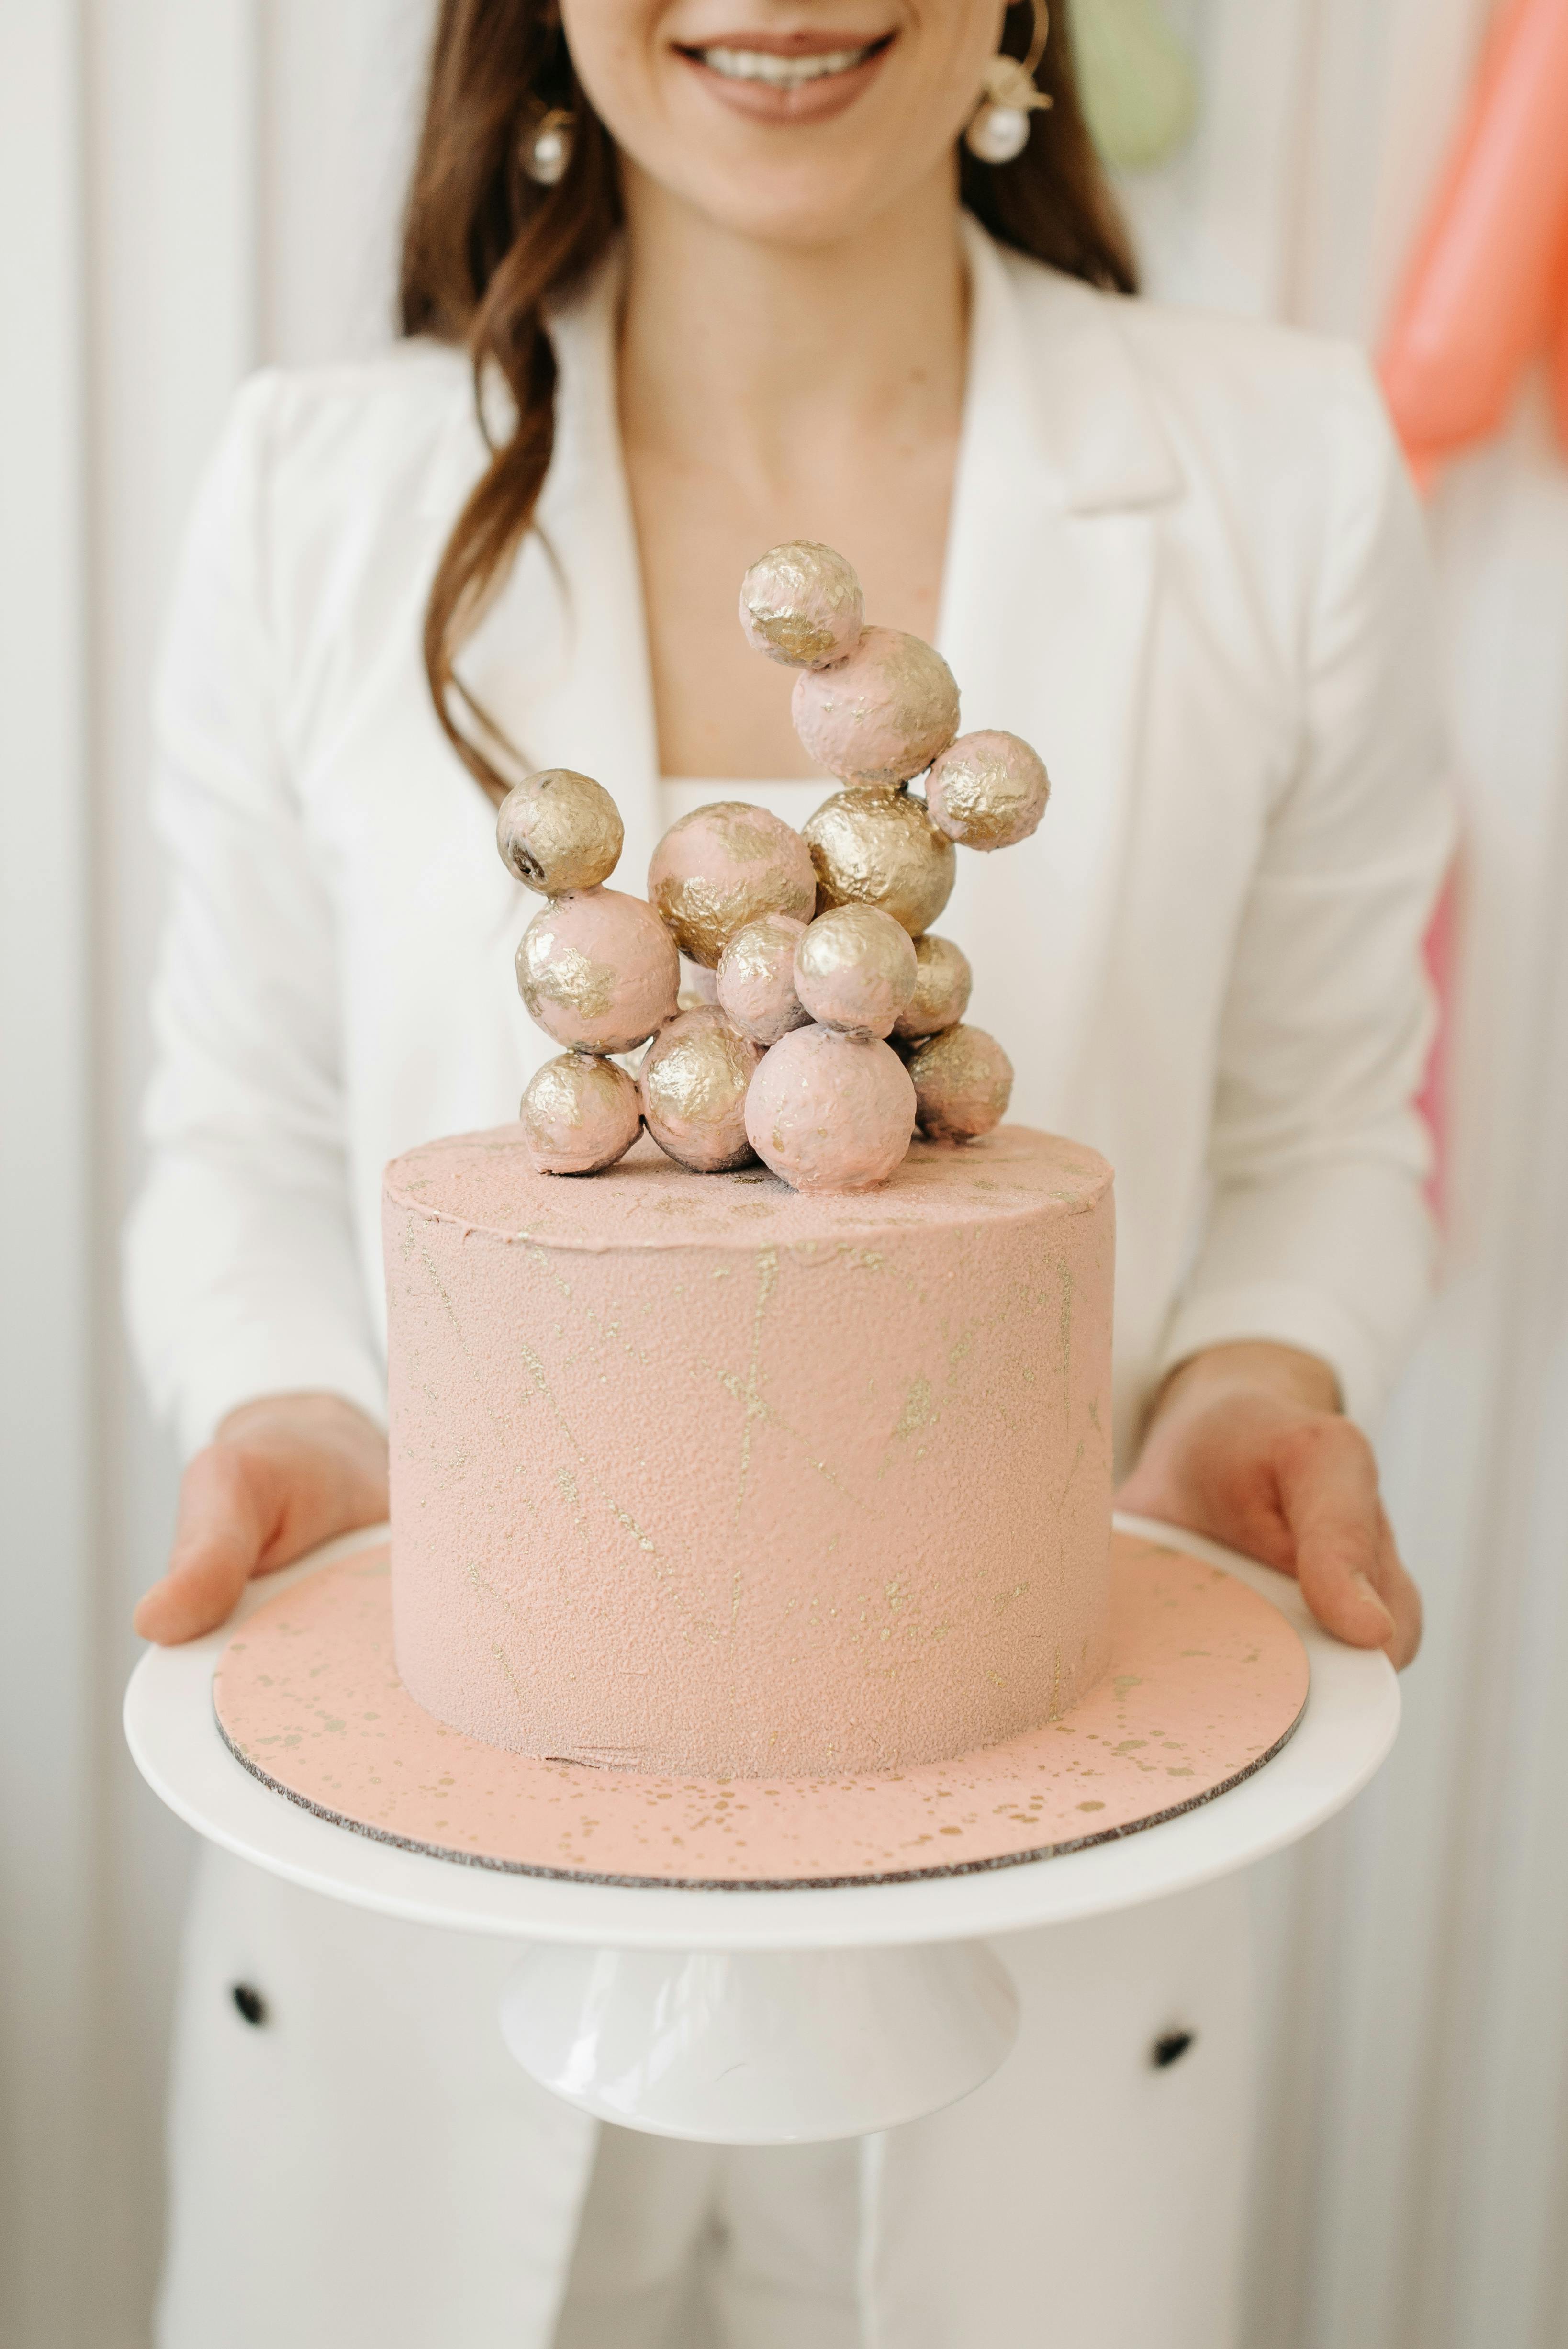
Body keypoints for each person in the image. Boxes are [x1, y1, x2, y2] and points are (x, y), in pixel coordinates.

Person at [127, 3, 1448, 2344]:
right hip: (419, 1938)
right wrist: (294, 1412)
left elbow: (1329, 1115)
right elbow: (233, 1124)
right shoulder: (309, 486)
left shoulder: (1284, 465)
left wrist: (1257, 1371)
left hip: (1054, 1936)